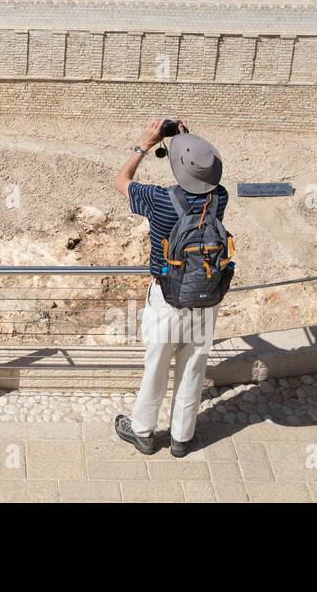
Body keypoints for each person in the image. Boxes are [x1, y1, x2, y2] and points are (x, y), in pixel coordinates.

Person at [112, 118, 227, 458]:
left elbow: (121, 181)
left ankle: (144, 432)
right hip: (206, 296)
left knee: (156, 367)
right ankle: (181, 437)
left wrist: (145, 143)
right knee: (193, 368)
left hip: (167, 297)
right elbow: (202, 175)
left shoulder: (158, 199)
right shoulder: (220, 198)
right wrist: (187, 139)